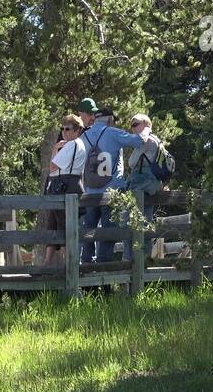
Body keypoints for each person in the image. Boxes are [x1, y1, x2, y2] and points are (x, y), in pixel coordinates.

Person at [76, 98, 151, 263]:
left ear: (95, 119)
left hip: (89, 194)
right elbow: (138, 141)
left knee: (88, 232)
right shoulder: (113, 133)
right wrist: (146, 129)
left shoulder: (83, 137)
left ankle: (86, 266)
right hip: (111, 194)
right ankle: (104, 271)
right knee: (108, 234)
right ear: (110, 120)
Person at [42, 114, 86, 266]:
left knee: (64, 226)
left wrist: (55, 148)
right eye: (63, 129)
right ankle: (48, 262)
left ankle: (70, 265)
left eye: (68, 129)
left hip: (63, 187)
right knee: (54, 223)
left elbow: (53, 167)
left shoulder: (72, 145)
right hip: (70, 185)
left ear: (77, 131)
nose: (64, 132)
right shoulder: (78, 144)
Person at [123, 114, 163, 261]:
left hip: (140, 188)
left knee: (130, 227)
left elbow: (132, 162)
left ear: (146, 124)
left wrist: (144, 131)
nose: (133, 128)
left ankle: (130, 265)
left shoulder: (146, 141)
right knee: (145, 225)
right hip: (150, 188)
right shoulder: (157, 140)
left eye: (135, 124)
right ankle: (143, 264)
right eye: (131, 125)